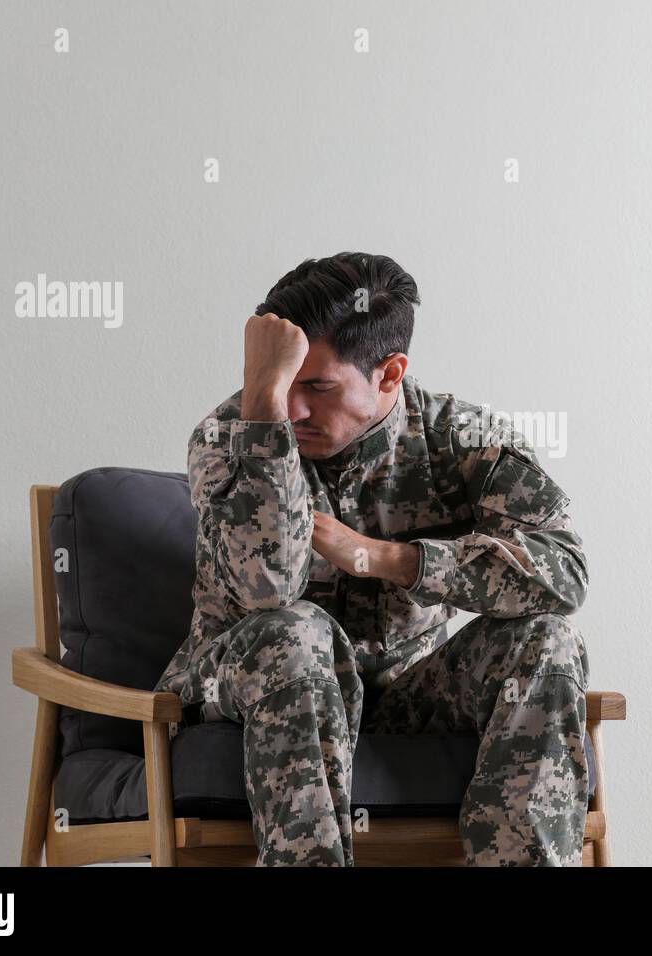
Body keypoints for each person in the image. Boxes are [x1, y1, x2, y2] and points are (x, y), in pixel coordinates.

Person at [153, 252, 591, 866]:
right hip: (252, 682)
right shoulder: (232, 433)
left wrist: (391, 559)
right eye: (285, 380)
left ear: (390, 374)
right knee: (296, 633)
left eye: (318, 387)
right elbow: (265, 587)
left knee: (548, 640)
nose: (296, 408)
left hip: (406, 693)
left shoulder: (459, 440)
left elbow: (564, 572)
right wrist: (263, 404)